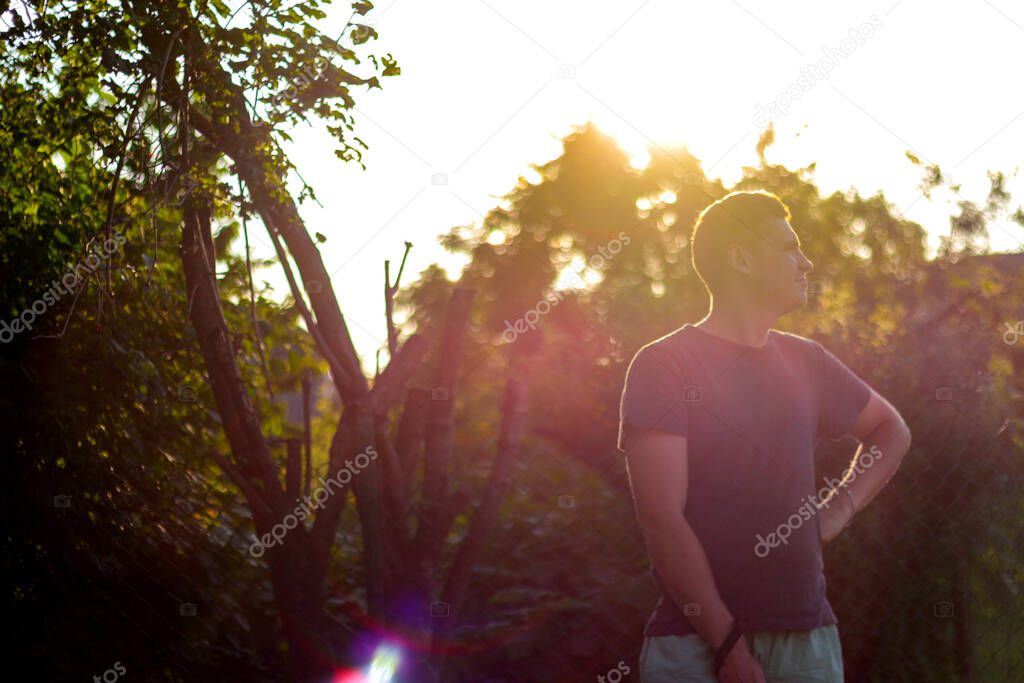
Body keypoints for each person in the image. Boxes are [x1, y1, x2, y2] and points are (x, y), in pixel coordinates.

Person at [617, 191, 912, 682]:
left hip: (808, 641)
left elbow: (891, 431)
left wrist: (838, 509)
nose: (807, 262)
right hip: (694, 646)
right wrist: (727, 646)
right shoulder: (664, 364)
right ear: (741, 259)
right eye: (789, 247)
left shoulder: (808, 361)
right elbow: (661, 520)